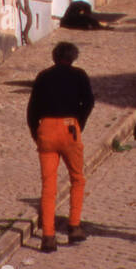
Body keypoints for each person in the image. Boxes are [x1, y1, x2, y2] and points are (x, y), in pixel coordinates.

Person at [26, 41, 95, 253]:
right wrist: (78, 123)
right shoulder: (79, 75)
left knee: (49, 186)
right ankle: (74, 226)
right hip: (69, 128)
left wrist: (36, 135)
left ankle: (48, 236)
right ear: (73, 57)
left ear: (54, 57)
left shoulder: (43, 76)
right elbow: (89, 102)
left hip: (45, 129)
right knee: (77, 178)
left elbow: (32, 110)